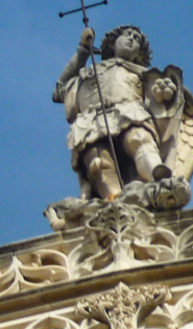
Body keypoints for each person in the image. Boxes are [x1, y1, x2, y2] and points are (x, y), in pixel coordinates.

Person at [53, 25, 180, 201]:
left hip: (129, 112)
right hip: (92, 121)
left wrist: (163, 92)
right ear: (112, 44)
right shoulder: (90, 72)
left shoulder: (142, 73)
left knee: (138, 139)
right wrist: (83, 50)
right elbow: (59, 90)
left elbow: (159, 99)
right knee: (98, 162)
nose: (131, 40)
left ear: (139, 53)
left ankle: (158, 178)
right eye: (128, 35)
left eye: (136, 39)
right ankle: (114, 200)